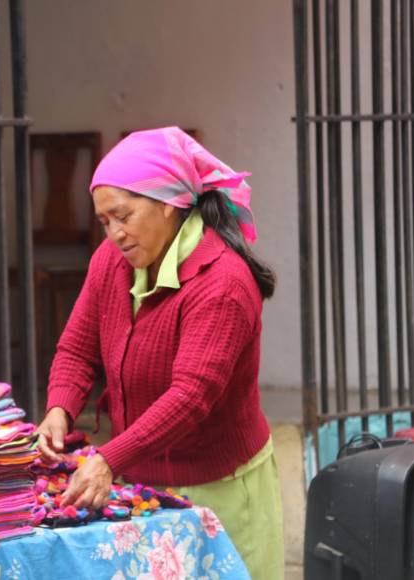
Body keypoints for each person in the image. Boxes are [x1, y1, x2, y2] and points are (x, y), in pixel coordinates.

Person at [36, 127, 284, 579]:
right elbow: (77, 347)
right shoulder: (110, 262)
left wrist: (109, 459)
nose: (115, 233)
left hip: (221, 488)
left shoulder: (222, 283)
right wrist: (59, 409)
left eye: (123, 216)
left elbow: (190, 397)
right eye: (105, 222)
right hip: (142, 482)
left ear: (168, 203)